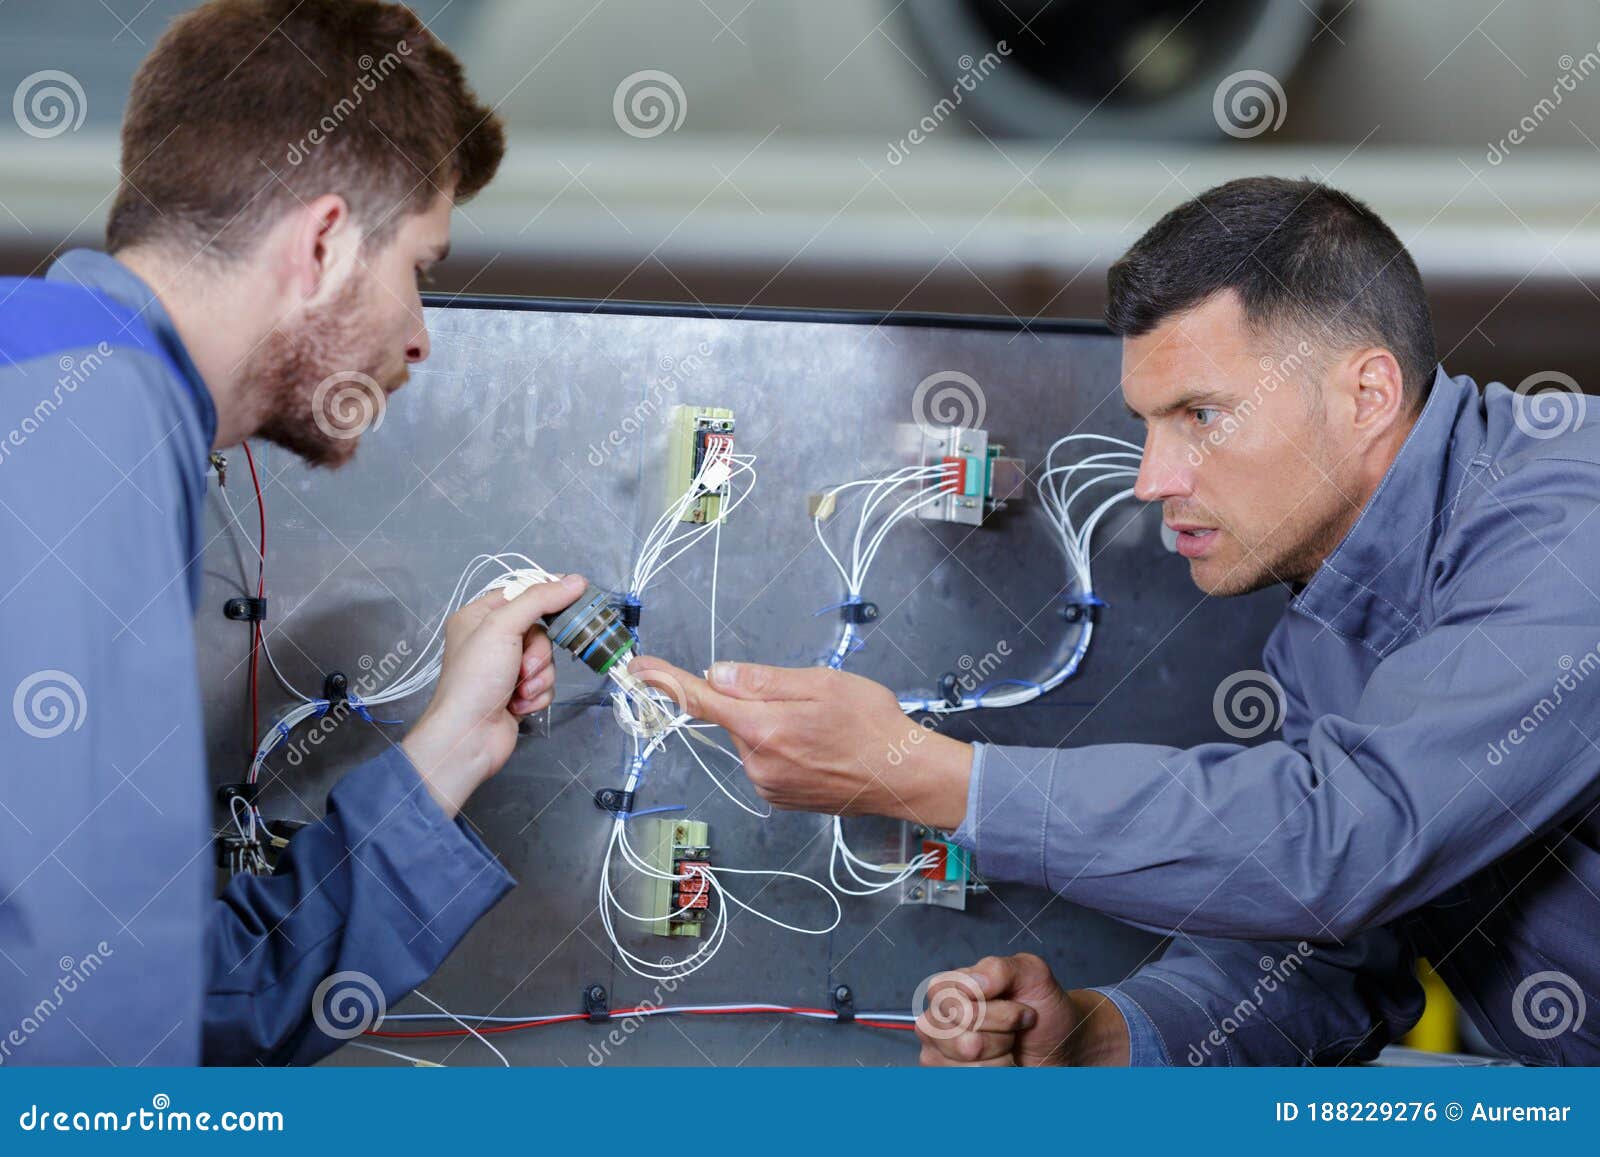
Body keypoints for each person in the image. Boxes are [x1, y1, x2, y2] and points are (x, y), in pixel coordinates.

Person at [633, 177, 1600, 1065]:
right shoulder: (1326, 631)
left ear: (1367, 393)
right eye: (1147, 423)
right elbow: (1325, 959)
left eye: (1201, 416)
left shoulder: (1571, 518)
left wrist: (927, 775)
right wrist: (1100, 1033)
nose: (1152, 479)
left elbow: (1342, 840)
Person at [0, 0, 582, 1064]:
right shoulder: (91, 414)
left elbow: (172, 992)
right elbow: (94, 1042)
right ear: (321, 243)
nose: (419, 339)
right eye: (421, 269)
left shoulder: (67, 386)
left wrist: (446, 752)